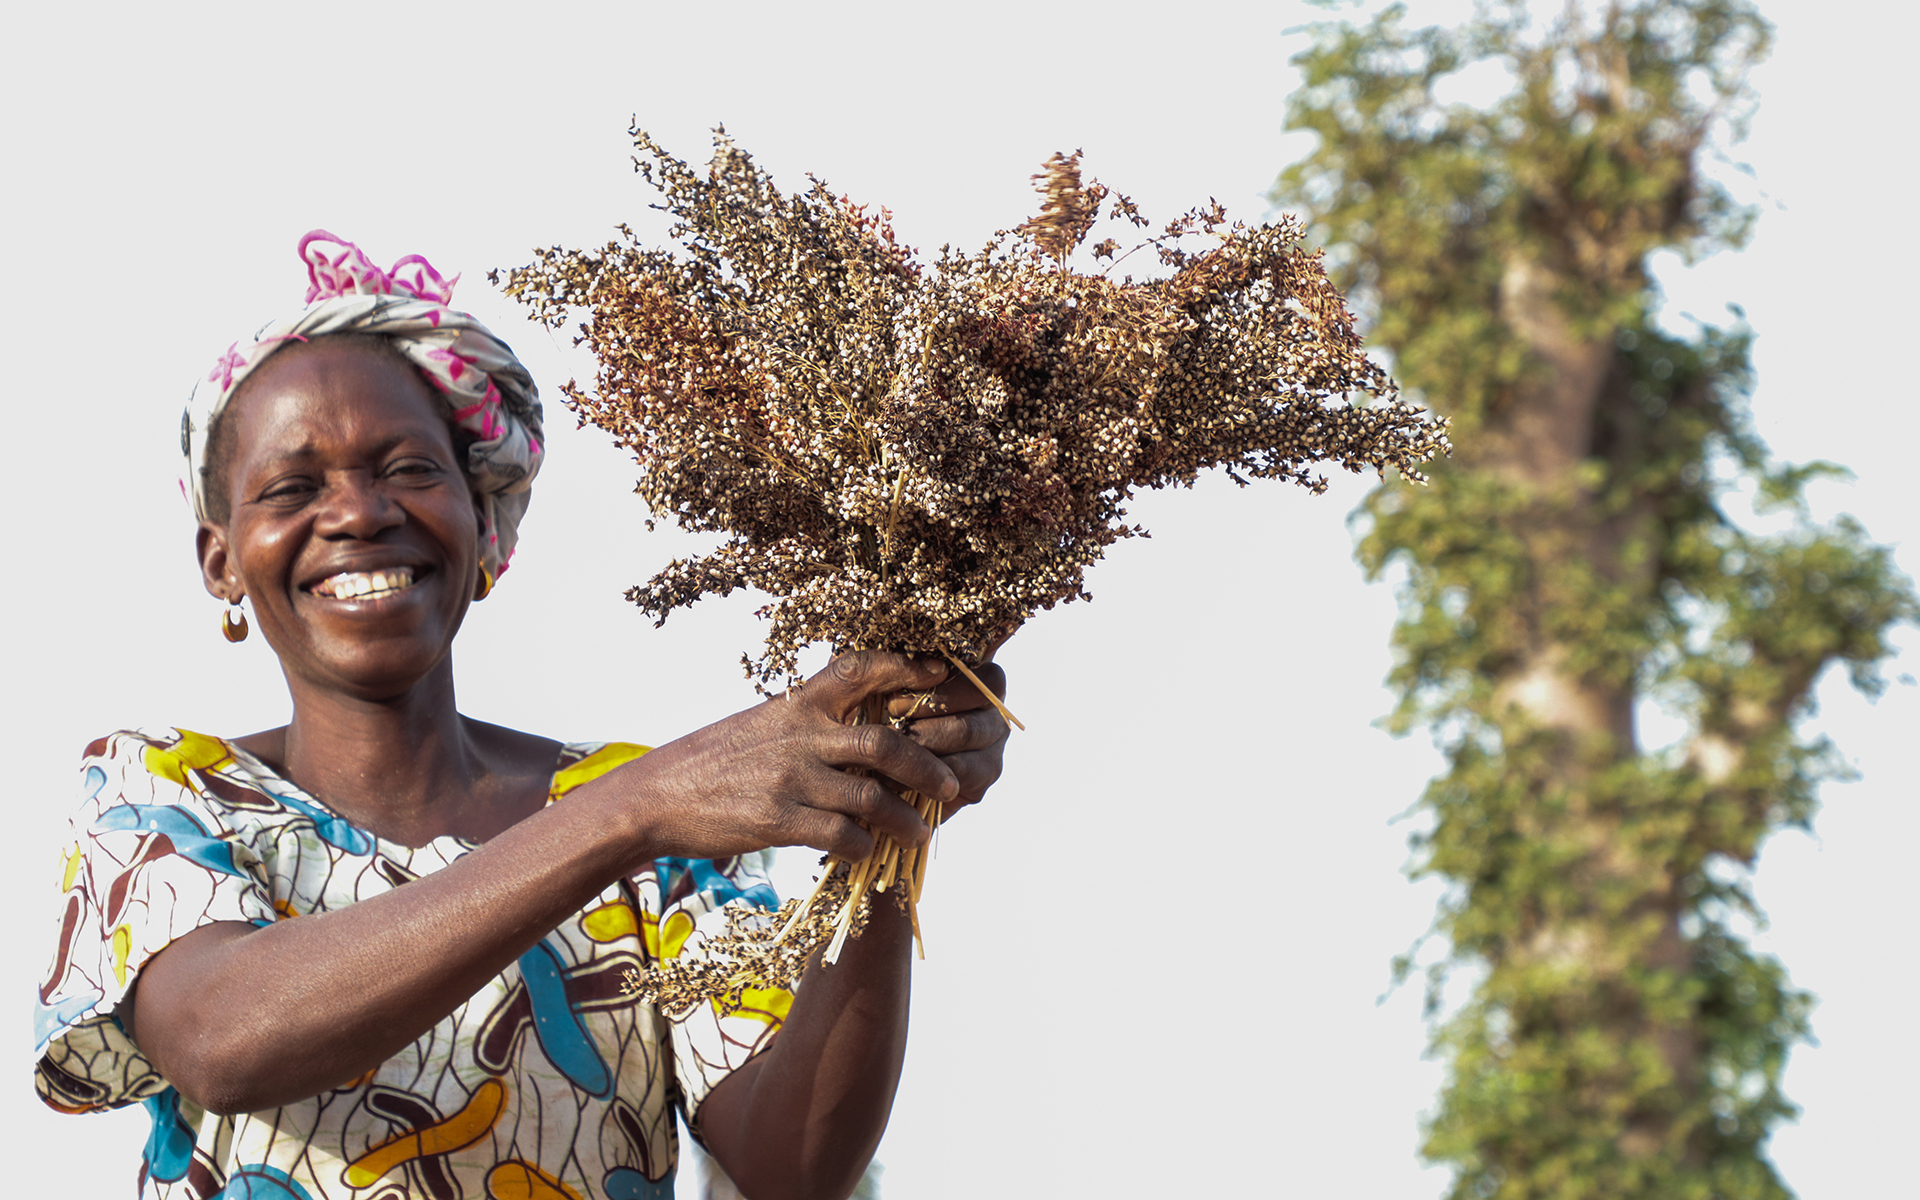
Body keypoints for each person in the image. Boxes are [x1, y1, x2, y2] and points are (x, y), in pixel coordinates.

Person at [33, 233, 1010, 1200]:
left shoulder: (660, 830)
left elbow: (790, 1170)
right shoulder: (162, 794)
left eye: (408, 470)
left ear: (483, 522)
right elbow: (223, 1043)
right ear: (222, 562)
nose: (359, 513)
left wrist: (888, 809)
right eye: (293, 487)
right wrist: (632, 812)